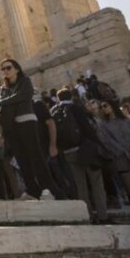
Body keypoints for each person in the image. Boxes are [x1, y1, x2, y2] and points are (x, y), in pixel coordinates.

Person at [0, 58, 65, 200]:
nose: (5, 71)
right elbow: (9, 104)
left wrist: (0, 103)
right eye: (3, 69)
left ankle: (48, 188)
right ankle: (32, 190)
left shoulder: (25, 81)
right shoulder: (3, 89)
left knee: (35, 156)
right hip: (11, 126)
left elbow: (24, 96)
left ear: (17, 69)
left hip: (26, 120)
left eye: (8, 68)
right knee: (22, 159)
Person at [54, 88, 109, 223]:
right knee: (96, 183)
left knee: (80, 186)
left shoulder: (54, 112)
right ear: (71, 96)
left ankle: (87, 216)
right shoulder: (76, 108)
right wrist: (99, 145)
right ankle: (103, 216)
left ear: (58, 98)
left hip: (68, 153)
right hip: (86, 150)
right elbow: (87, 129)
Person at [99, 100, 130, 216]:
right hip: (120, 158)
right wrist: (124, 152)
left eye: (106, 105)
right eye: (102, 107)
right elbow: (108, 141)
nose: (104, 108)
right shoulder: (103, 125)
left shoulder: (127, 121)